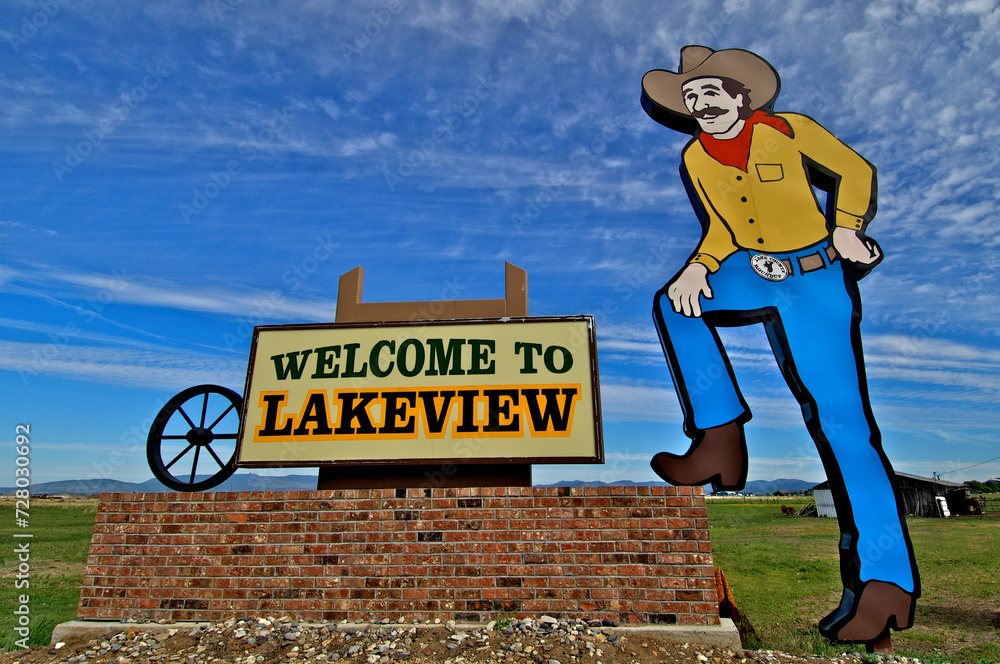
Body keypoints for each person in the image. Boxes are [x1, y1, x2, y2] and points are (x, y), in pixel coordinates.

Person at [640, 45, 919, 645]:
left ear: (741, 96)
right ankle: (719, 438)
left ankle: (885, 584)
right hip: (748, 266)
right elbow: (720, 227)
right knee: (674, 303)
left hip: (815, 278)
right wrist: (699, 267)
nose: (701, 105)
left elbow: (856, 171)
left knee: (844, 427)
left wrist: (847, 228)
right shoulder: (696, 157)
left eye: (711, 93)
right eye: (691, 99)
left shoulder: (790, 131)